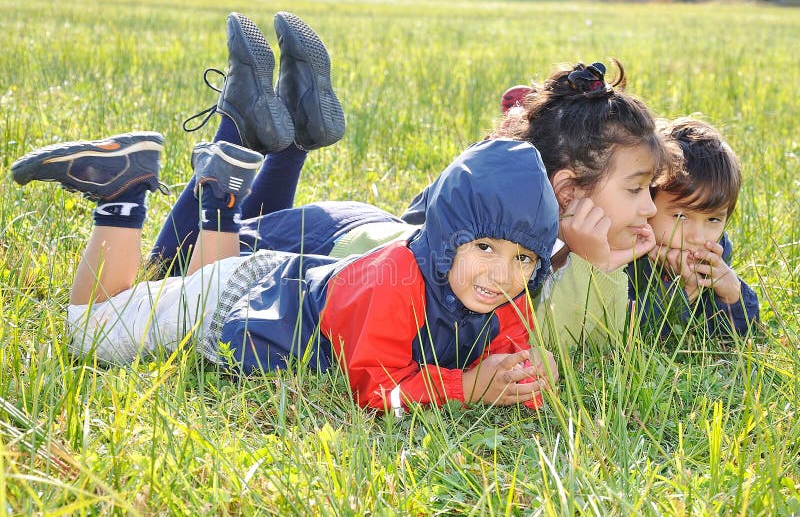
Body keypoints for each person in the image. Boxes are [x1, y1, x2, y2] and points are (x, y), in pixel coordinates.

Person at [10, 14, 562, 415]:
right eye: (485, 248)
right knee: (87, 332)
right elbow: (377, 386)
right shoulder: (397, 277)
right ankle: (122, 196)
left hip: (267, 280)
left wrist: (534, 376)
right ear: (447, 237)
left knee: (180, 283)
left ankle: (222, 194)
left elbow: (511, 358)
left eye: (521, 258)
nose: (500, 273)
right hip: (239, 304)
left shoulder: (507, 293)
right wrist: (468, 387)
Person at [153, 44, 670, 352]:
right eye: (635, 189)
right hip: (331, 249)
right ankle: (239, 126)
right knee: (179, 269)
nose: (649, 206)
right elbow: (554, 342)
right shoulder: (537, 249)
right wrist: (597, 267)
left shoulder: (531, 230)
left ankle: (288, 130)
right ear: (566, 190)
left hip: (366, 229)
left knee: (237, 235)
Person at [626, 117, 760, 339]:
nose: (697, 237)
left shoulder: (714, 253)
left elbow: (734, 335)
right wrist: (682, 294)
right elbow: (624, 332)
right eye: (680, 216)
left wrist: (731, 295)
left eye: (713, 220)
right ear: (647, 203)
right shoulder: (627, 252)